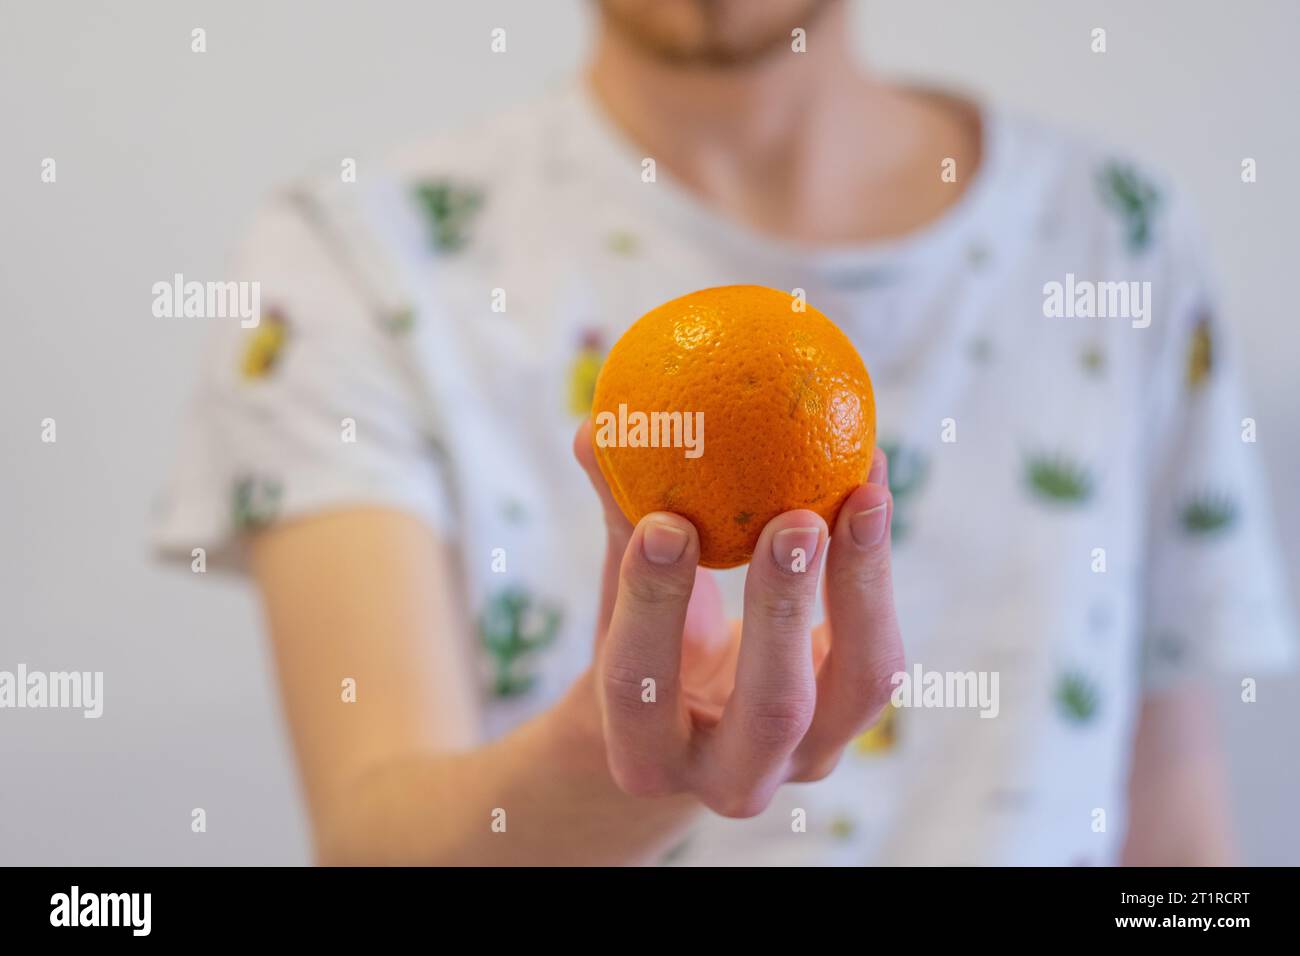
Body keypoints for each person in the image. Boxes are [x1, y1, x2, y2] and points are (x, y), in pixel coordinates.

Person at [154, 0, 1295, 865]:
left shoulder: (1115, 239)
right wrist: (612, 770)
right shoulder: (357, 255)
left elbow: (1173, 826)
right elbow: (373, 837)